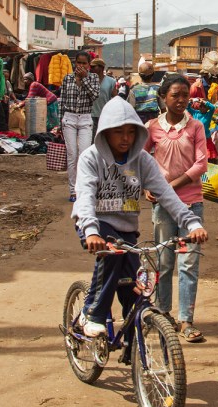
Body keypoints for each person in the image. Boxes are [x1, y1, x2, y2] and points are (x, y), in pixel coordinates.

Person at [72, 96, 208, 337]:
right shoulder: (91, 158)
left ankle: (131, 340)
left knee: (134, 284)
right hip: (94, 223)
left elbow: (166, 195)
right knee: (112, 256)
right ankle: (91, 314)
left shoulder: (143, 160)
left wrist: (192, 222)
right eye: (118, 132)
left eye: (130, 132)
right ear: (105, 133)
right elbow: (84, 197)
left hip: (126, 227)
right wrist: (91, 231)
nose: (125, 138)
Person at [144, 74, 209, 342]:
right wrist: (147, 185)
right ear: (164, 97)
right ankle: (162, 314)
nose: (182, 100)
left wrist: (170, 187)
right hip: (162, 208)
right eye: (176, 95)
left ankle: (186, 321)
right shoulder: (151, 127)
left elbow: (201, 164)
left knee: (189, 262)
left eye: (185, 95)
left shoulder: (195, 127)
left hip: (192, 205)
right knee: (164, 261)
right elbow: (140, 158)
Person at [60, 52, 102, 202]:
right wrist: (60, 122)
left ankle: (84, 188)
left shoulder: (93, 78)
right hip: (69, 117)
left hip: (85, 118)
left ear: (89, 65)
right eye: (79, 63)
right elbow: (62, 100)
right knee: (72, 155)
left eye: (84, 64)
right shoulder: (67, 78)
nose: (81, 66)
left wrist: (84, 80)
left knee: (84, 154)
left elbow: (95, 96)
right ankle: (73, 191)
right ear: (75, 63)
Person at [89, 57, 117, 133]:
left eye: (93, 67)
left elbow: (115, 98)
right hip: (90, 115)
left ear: (101, 67)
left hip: (104, 115)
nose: (91, 68)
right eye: (91, 66)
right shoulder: (88, 80)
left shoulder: (111, 81)